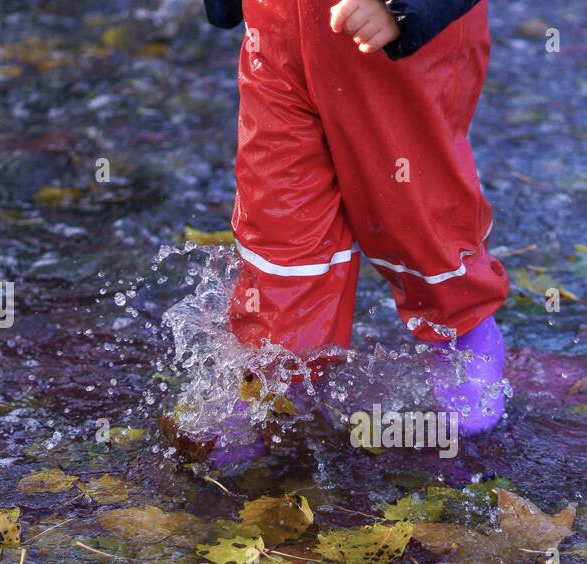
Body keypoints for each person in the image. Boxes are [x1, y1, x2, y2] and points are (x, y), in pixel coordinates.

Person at [190, 0, 509, 464]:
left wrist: (406, 7)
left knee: (416, 212)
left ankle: (462, 331)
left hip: (398, 53)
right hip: (278, 35)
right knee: (277, 211)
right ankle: (279, 367)